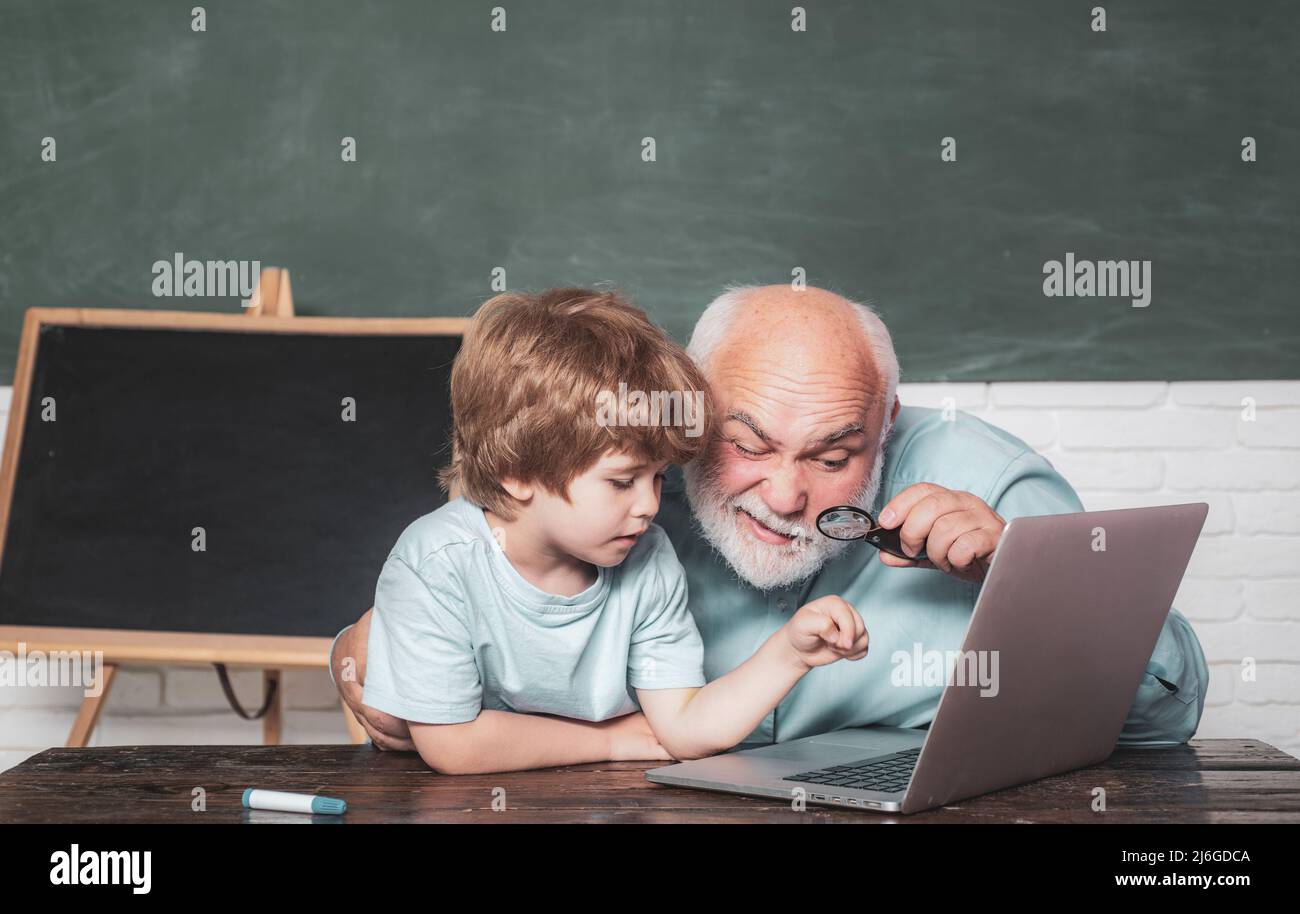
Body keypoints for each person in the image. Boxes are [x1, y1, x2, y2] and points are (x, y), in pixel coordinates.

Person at [334, 284, 1208, 756]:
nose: (787, 497)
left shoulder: (985, 483)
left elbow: (1168, 717)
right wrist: (369, 640)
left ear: (889, 425)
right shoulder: (629, 476)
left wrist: (1022, 576)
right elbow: (472, 592)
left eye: (834, 457)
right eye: (746, 444)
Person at [357, 287, 868, 774]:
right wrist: (610, 740)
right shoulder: (437, 562)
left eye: (658, 477)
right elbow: (452, 743)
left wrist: (790, 654)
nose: (649, 506)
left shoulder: (647, 558)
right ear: (518, 472)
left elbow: (684, 728)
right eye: (622, 481)